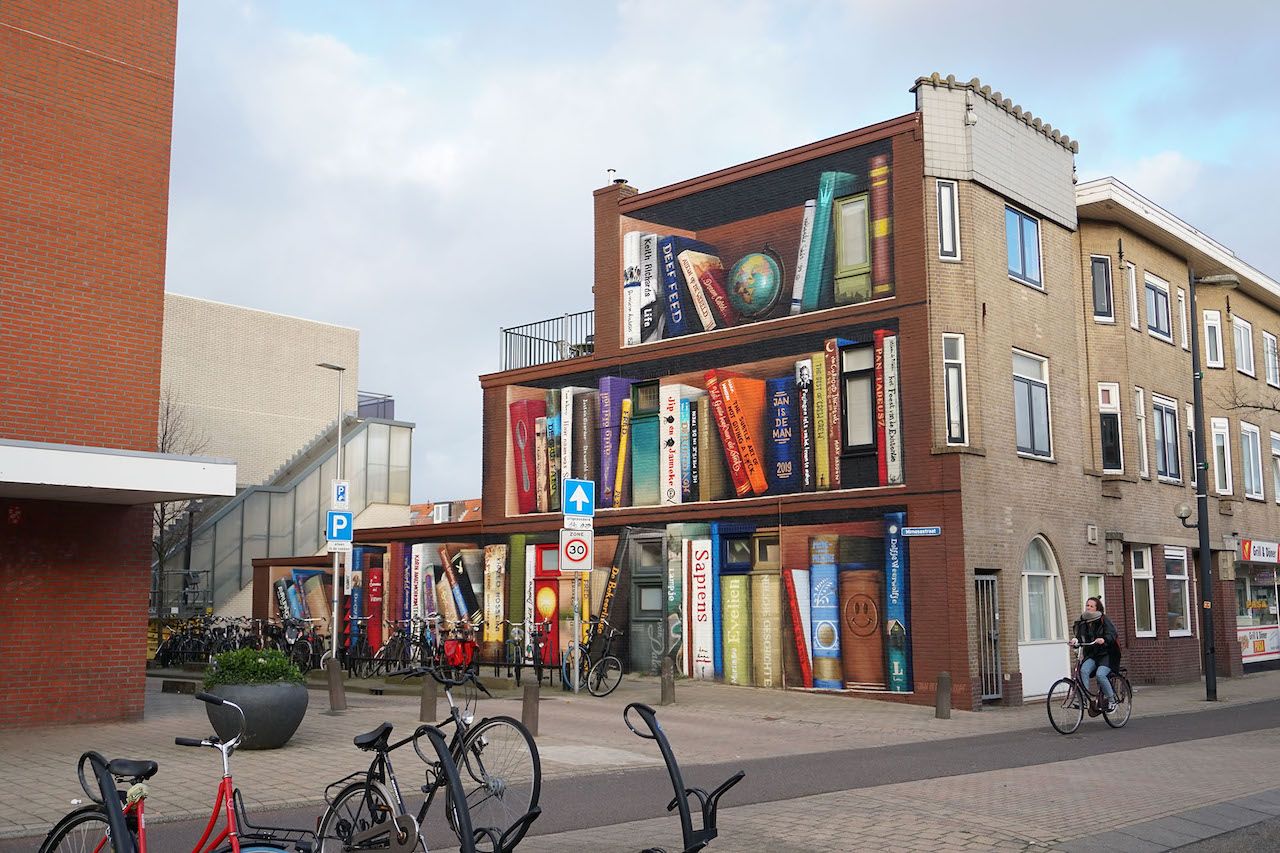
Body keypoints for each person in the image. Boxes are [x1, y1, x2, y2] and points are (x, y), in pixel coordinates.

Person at [1070, 596, 1121, 712]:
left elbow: (1112, 634)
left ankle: (1112, 700)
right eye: (1087, 605)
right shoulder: (1083, 622)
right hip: (1093, 654)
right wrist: (1075, 641)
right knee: (1083, 670)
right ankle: (1083, 700)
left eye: (1091, 606)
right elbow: (1080, 637)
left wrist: (1104, 639)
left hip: (1107, 654)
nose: (1088, 608)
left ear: (1097, 608)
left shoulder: (1103, 619)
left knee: (1100, 675)